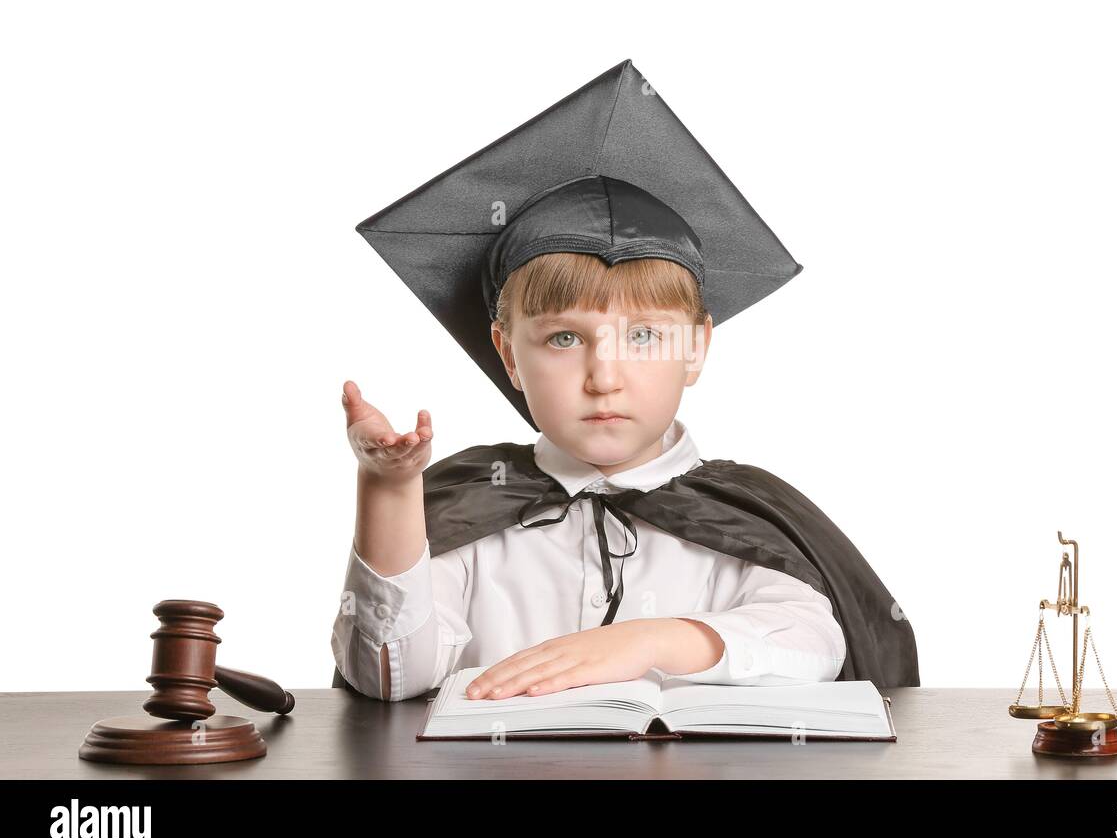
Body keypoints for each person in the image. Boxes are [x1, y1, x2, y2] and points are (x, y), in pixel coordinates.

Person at [331, 60, 919, 702]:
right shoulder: (471, 509)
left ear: (696, 347)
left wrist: (648, 641)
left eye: (644, 336)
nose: (603, 376)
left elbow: (814, 640)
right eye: (563, 338)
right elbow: (388, 676)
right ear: (507, 353)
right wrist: (389, 491)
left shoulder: (747, 514)